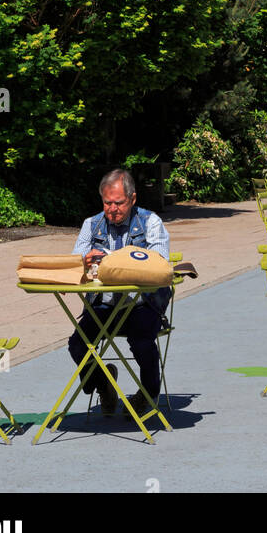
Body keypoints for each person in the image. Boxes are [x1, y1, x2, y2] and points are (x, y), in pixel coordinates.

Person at [70, 168, 171, 418]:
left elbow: (159, 262)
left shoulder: (150, 222)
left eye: (119, 203)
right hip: (103, 305)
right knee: (77, 344)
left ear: (133, 199)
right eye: (107, 203)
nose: (112, 209)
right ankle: (105, 382)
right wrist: (83, 260)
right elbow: (73, 262)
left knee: (141, 342)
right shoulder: (91, 224)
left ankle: (148, 393)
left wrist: (113, 260)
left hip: (142, 304)